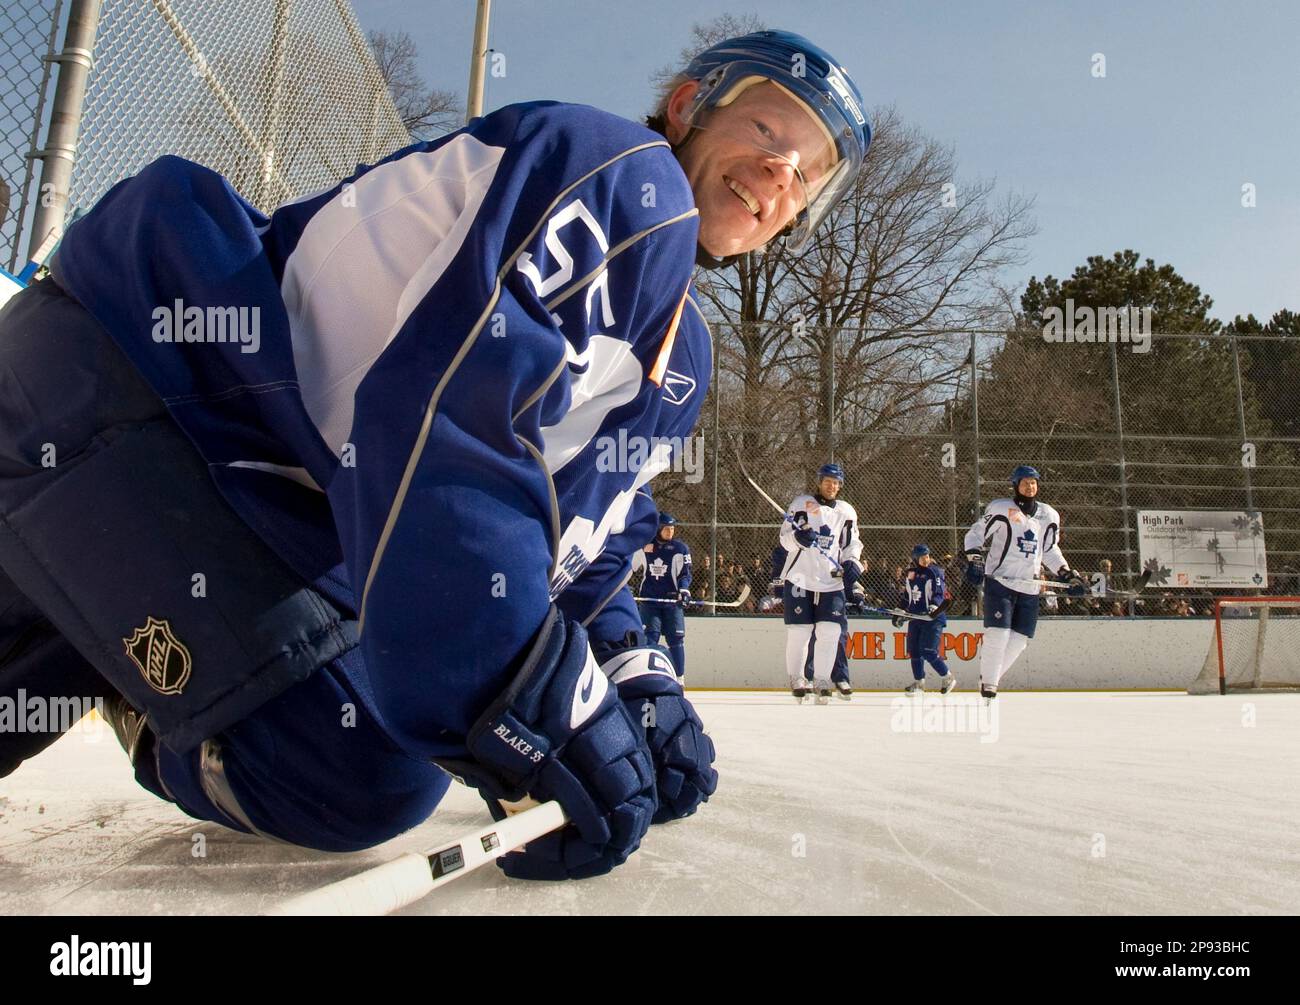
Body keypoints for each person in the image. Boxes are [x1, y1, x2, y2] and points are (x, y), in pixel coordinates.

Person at [0, 31, 871, 878]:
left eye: (807, 175)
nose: (777, 175)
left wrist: (626, 669)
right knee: (356, 766)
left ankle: (100, 637)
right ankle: (132, 681)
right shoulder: (625, 178)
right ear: (688, 107)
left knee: (362, 760)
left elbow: (587, 535)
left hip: (226, 498)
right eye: (766, 132)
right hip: (141, 395)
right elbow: (449, 419)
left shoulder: (681, 355)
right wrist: (520, 691)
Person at [963, 466, 1084, 702]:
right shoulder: (1000, 508)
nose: (1031, 487)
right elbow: (975, 534)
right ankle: (989, 685)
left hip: (1029, 585)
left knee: (1019, 641)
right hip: (1001, 581)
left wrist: (1066, 573)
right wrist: (975, 560)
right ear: (1016, 485)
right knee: (998, 634)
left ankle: (989, 676)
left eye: (1034, 482)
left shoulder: (1049, 516)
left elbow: (1049, 549)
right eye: (1026, 482)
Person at [778, 463, 863, 703]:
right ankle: (797, 678)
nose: (831, 486)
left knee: (830, 631)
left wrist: (852, 562)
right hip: (800, 577)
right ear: (819, 482)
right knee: (799, 632)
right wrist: (798, 539)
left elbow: (851, 543)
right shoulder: (802, 504)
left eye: (835, 482)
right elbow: (784, 540)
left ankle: (823, 680)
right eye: (827, 481)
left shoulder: (846, 512)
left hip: (831, 581)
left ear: (840, 485)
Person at [630, 513, 692, 680]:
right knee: (651, 638)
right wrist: (623, 586)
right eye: (666, 529)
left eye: (672, 529)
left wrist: (684, 590)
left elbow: (685, 574)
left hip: (672, 602)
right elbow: (630, 567)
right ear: (658, 529)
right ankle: (651, 677)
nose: (670, 532)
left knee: (676, 639)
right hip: (650, 601)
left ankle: (680, 679)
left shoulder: (680, 549)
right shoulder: (645, 546)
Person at [893, 544, 955, 694]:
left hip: (933, 618)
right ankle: (919, 683)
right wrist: (900, 611)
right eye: (922, 557)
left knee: (928, 651)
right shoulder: (911, 574)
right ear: (915, 559)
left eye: (927, 556)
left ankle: (947, 677)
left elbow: (939, 594)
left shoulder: (935, 572)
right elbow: (908, 596)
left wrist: (934, 606)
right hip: (916, 617)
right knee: (914, 651)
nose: (926, 560)